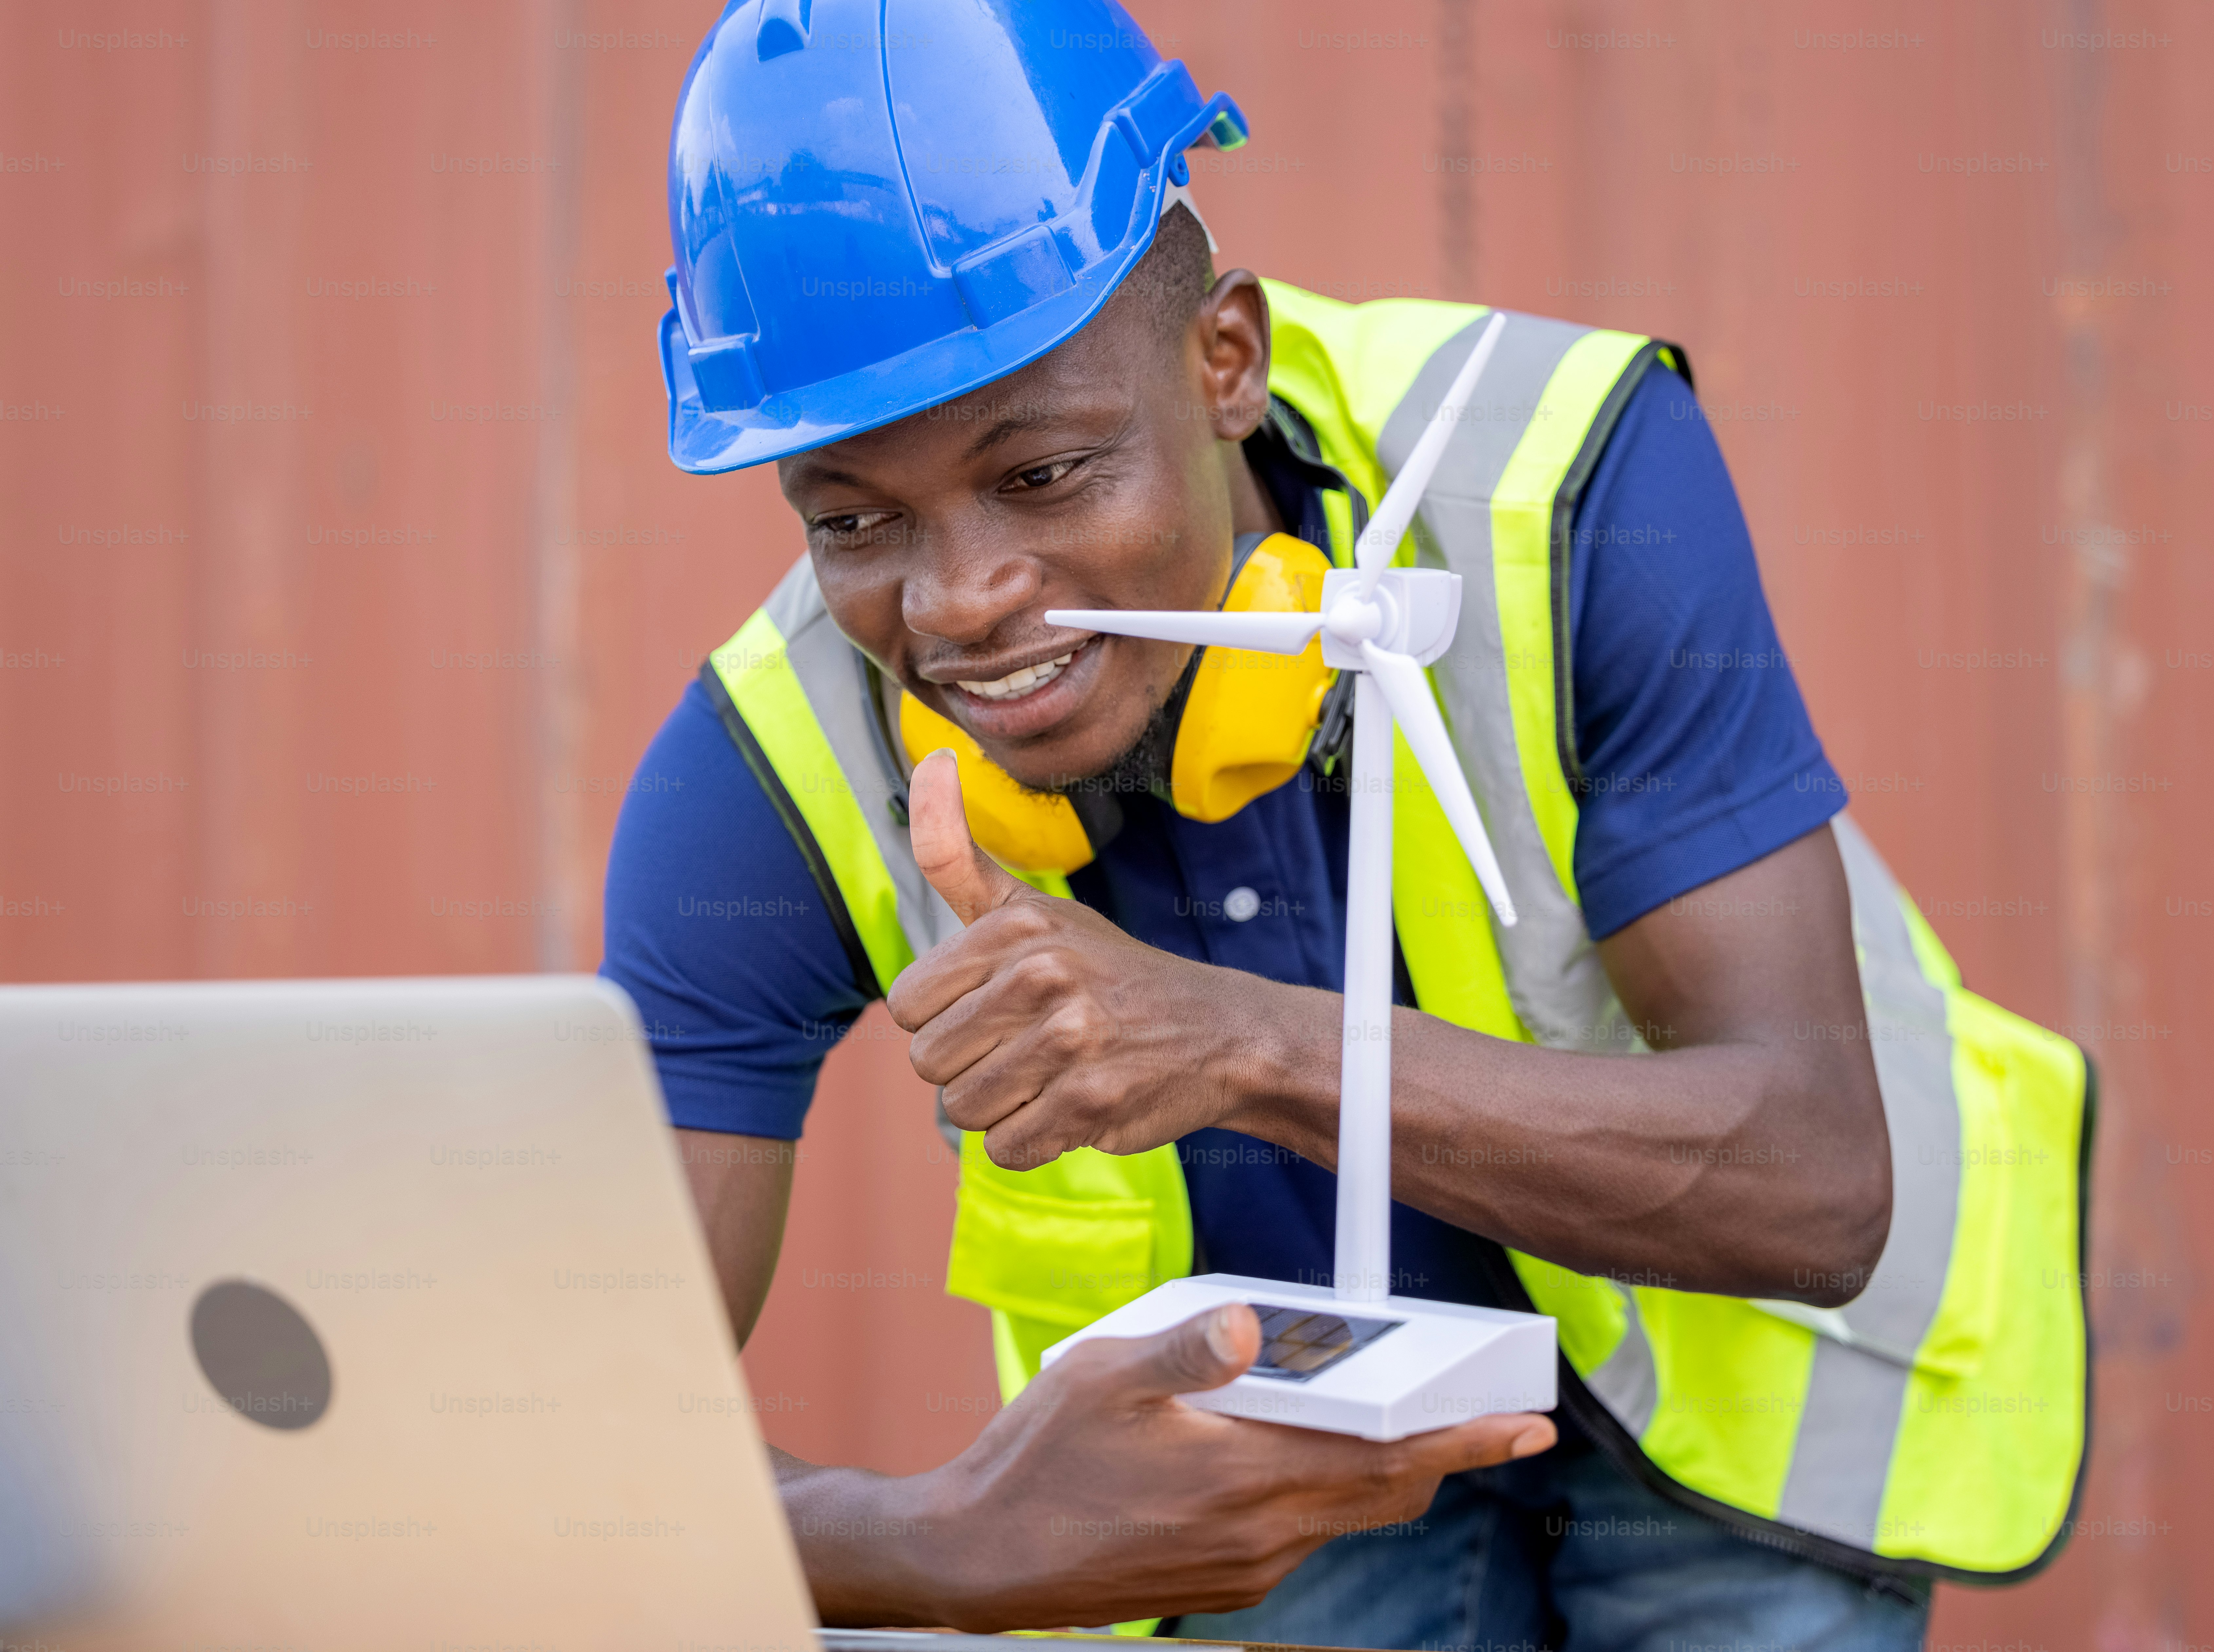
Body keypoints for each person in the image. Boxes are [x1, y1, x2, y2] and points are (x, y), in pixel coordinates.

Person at [603, 4, 2091, 1647]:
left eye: (1041, 475)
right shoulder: (768, 758)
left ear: (1220, 360)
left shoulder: (1555, 472)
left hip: (1734, 1431)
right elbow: (556, 1449)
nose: (963, 601)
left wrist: (1242, 1044)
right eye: (857, 519)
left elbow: (1811, 1185)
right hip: (1280, 1472)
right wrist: (938, 1537)